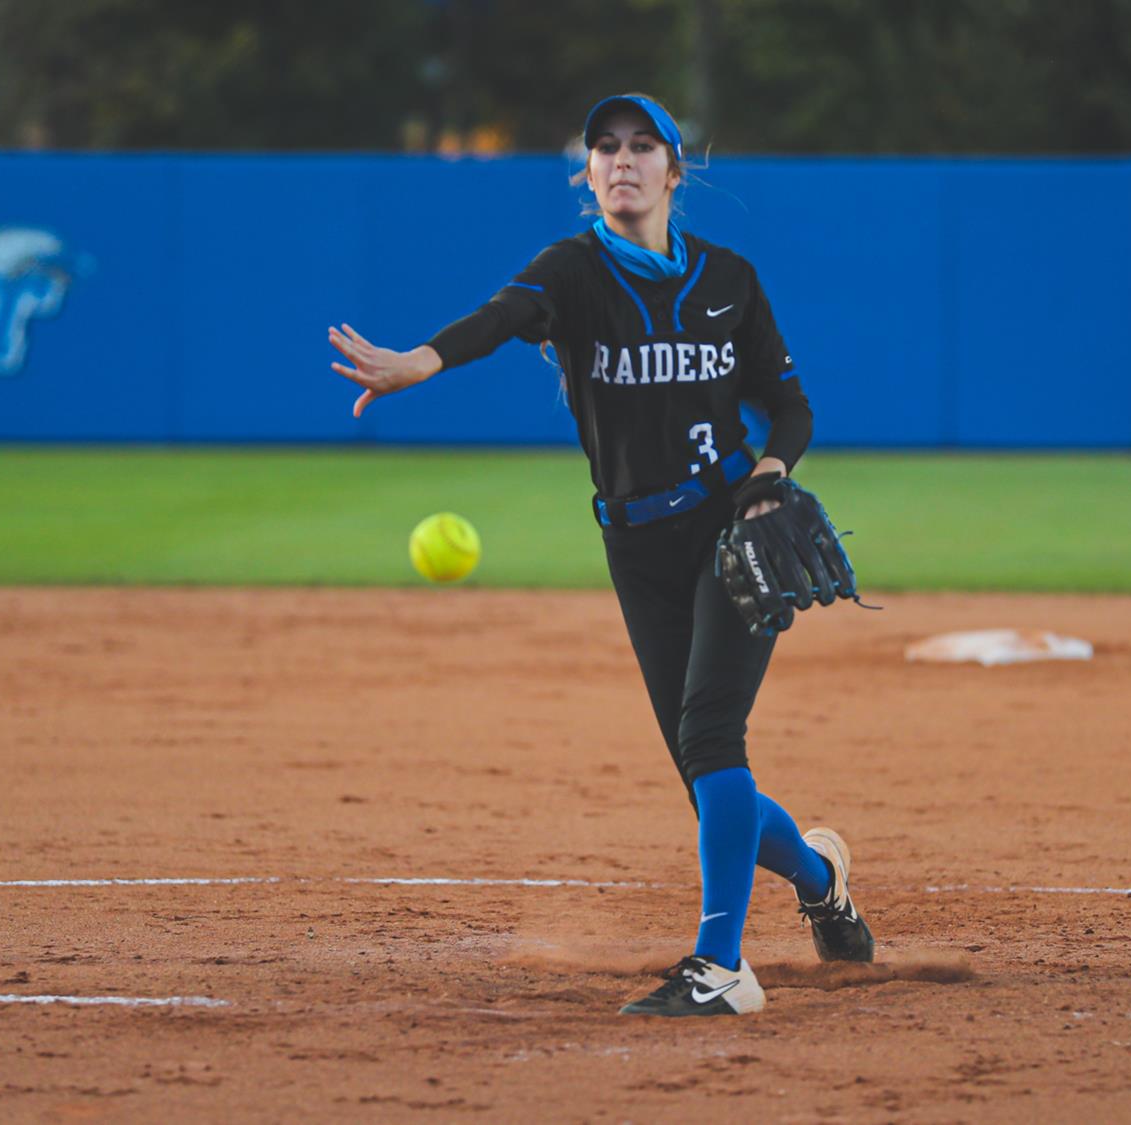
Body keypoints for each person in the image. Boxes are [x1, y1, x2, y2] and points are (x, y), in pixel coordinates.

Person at [327, 93, 872, 1017]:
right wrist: (423, 359)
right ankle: (822, 880)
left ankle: (722, 967)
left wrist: (772, 472)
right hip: (635, 546)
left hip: (731, 530)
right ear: (588, 173)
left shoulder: (728, 279)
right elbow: (500, 317)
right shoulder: (573, 272)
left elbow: (790, 405)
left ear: (674, 171)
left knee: (712, 739)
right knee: (706, 776)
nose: (623, 158)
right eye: (605, 146)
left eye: (642, 145)